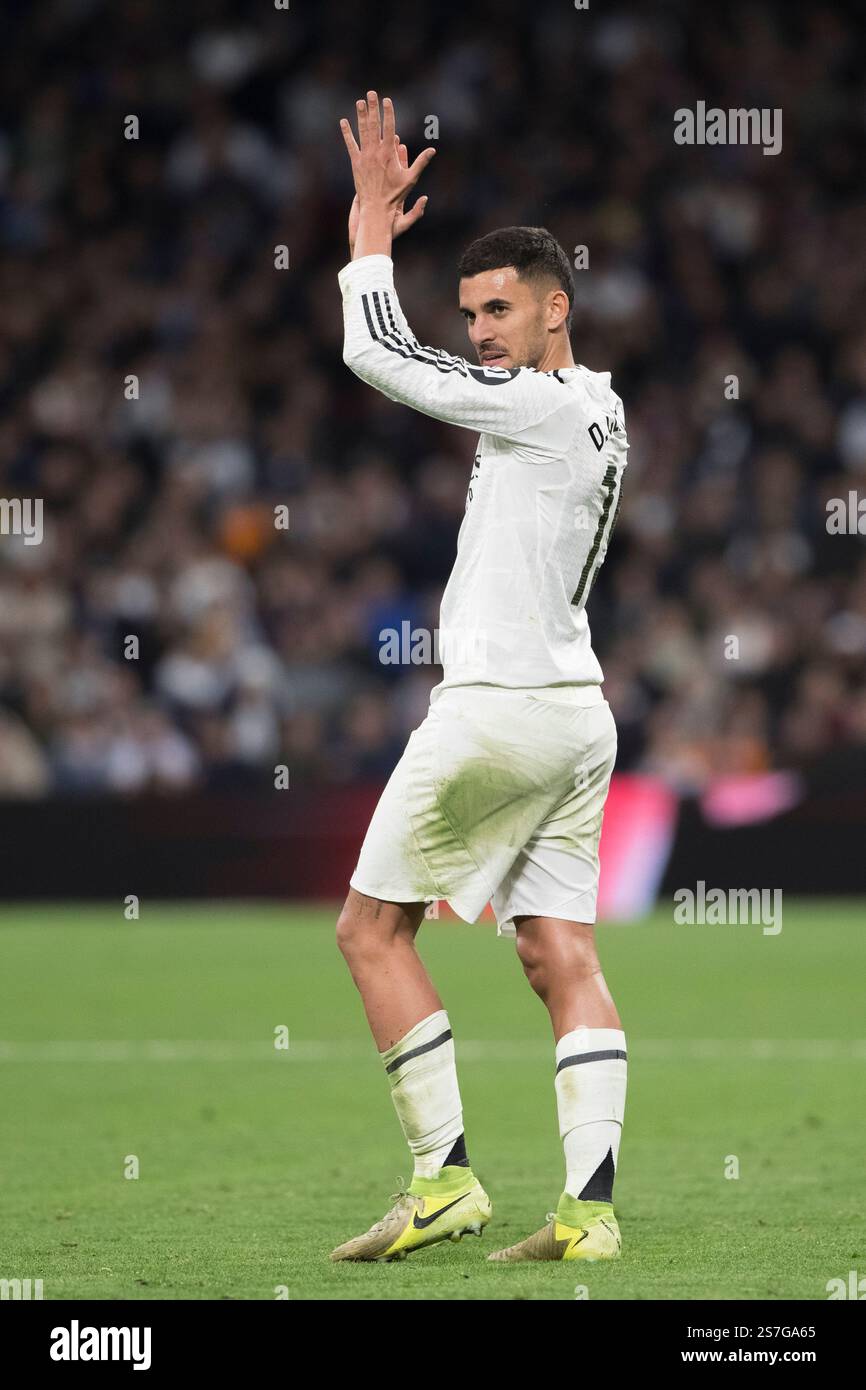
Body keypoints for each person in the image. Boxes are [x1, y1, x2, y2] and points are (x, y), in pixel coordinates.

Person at [330, 92, 628, 1264]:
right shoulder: (600, 408)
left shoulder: (543, 408)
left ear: (555, 308)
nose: (479, 330)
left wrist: (366, 236)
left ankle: (441, 1179)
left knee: (368, 931)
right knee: (560, 956)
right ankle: (589, 1214)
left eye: (499, 309)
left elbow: (375, 354)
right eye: (468, 313)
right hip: (576, 717)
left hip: (498, 710)